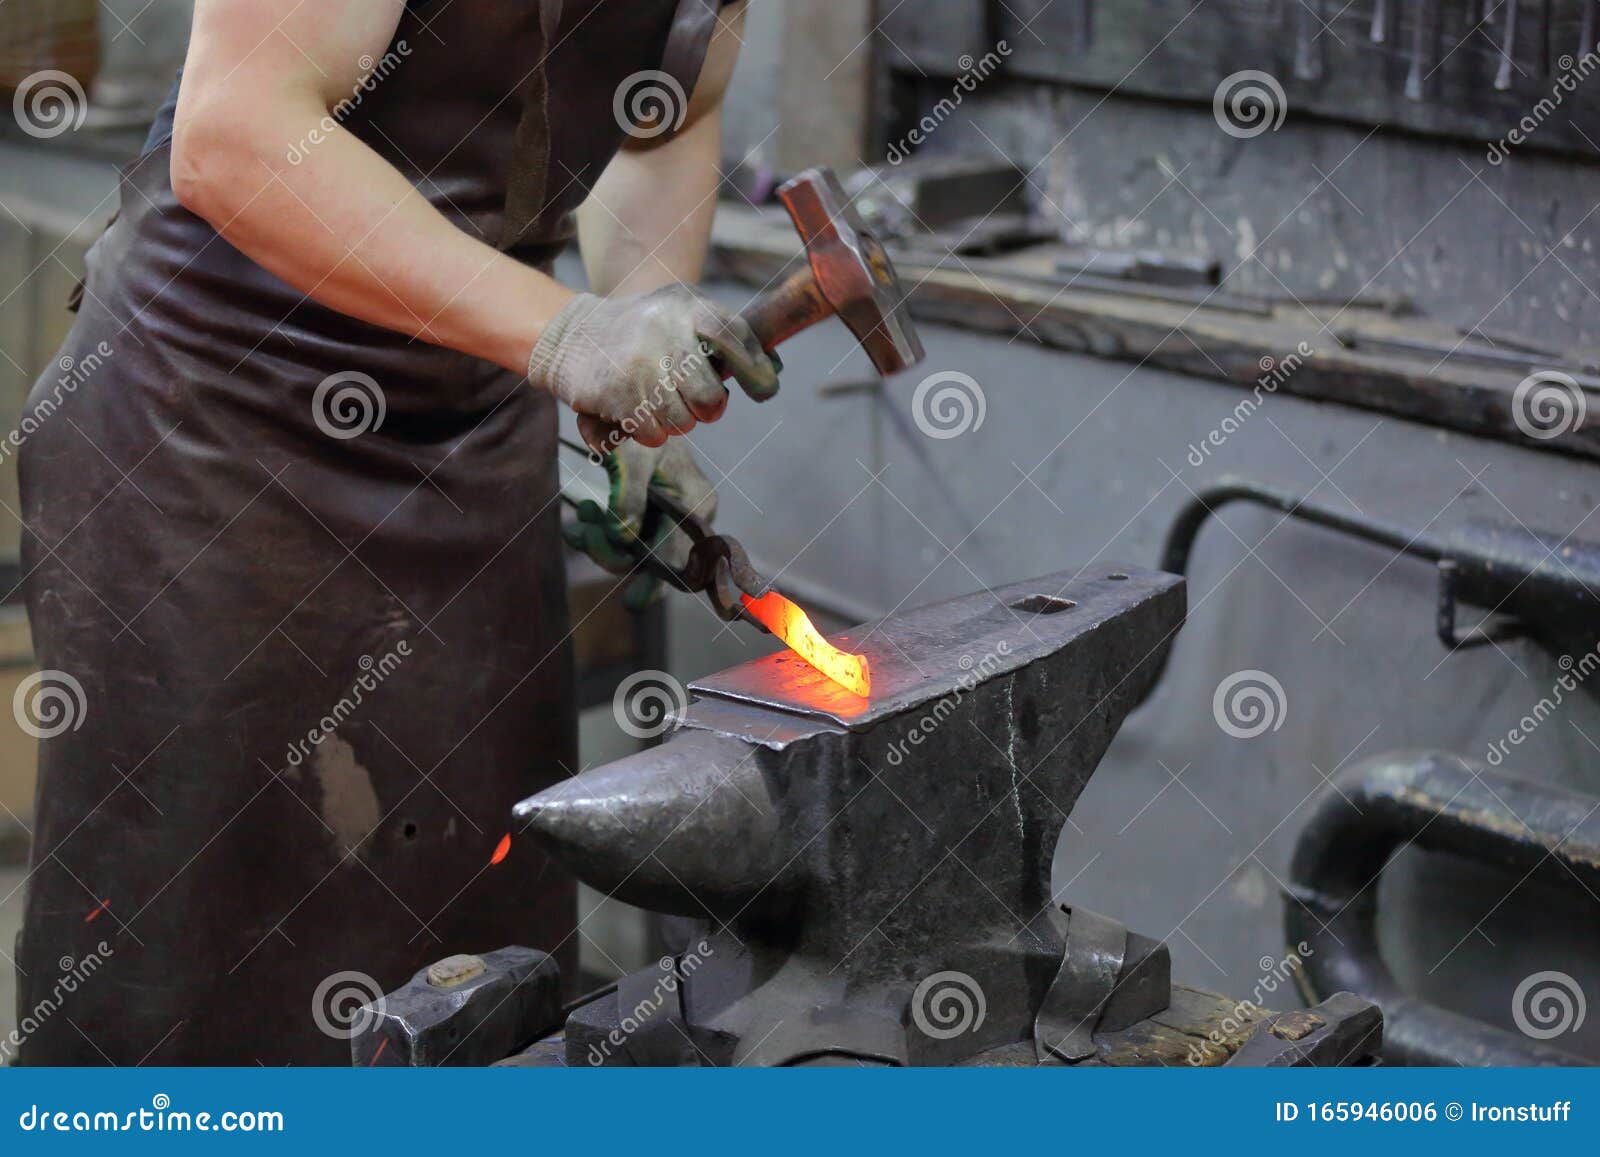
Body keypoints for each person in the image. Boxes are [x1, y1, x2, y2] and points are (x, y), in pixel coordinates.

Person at [13, 0, 776, 1065]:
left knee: (469, 925)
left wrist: (640, 330)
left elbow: (665, 116)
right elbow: (237, 137)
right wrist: (567, 333)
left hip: (470, 428)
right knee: (189, 941)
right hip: (219, 424)